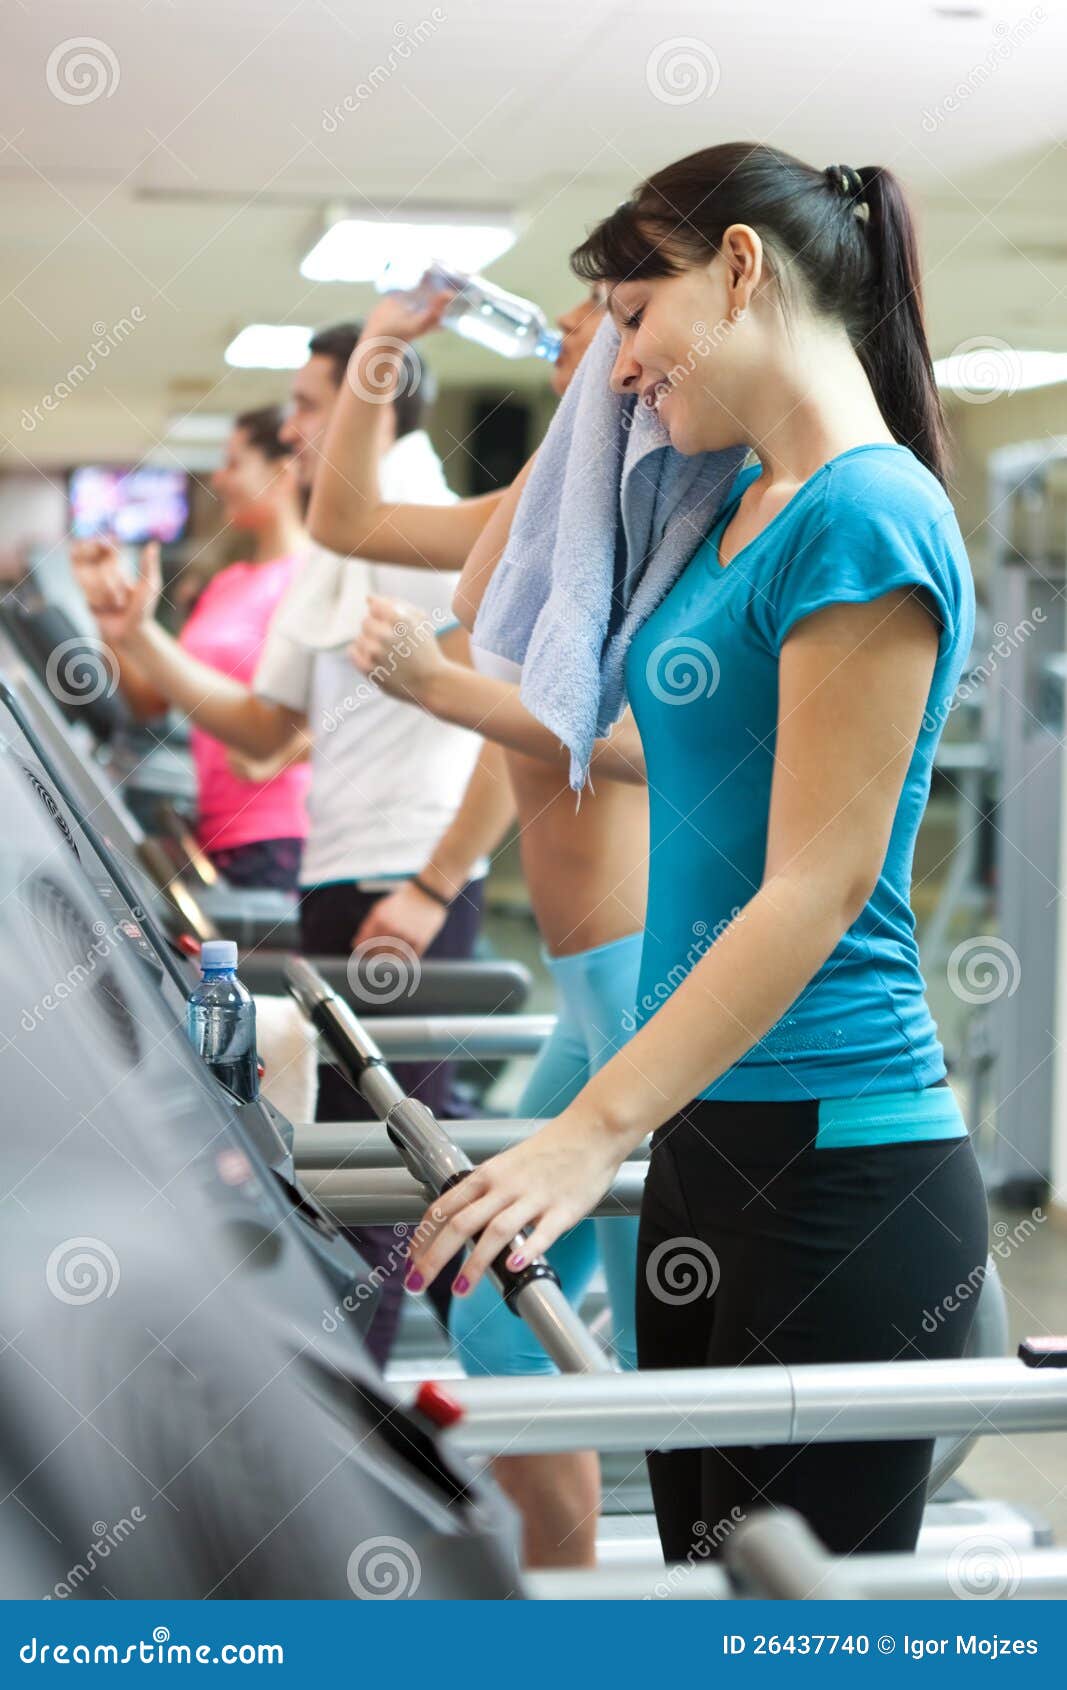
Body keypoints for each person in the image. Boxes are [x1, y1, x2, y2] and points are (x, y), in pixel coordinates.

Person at [400, 142, 990, 1561]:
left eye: (632, 314)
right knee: (703, 1597)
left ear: (738, 269)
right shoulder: (726, 503)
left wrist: (586, 1126)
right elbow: (514, 608)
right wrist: (615, 389)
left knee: (788, 1630)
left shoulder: (865, 514)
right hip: (707, 1137)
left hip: (838, 1157)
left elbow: (817, 884)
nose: (617, 367)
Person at [71, 322, 514, 1368]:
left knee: (397, 1165)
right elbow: (266, 732)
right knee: (357, 1161)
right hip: (335, 875)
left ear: (377, 404)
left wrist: (432, 885)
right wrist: (139, 639)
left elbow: (513, 729)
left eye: (312, 407)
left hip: (407, 879)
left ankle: (387, 1397)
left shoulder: (432, 537)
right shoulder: (331, 555)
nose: (295, 429)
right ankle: (375, 1385)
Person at [312, 285, 646, 1570]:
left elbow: (656, 747)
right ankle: (557, 1603)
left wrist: (441, 689)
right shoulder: (540, 505)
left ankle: (717, 1614)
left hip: (651, 980)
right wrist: (382, 351)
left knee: (669, 1344)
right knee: (497, 1309)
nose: (570, 330)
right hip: (584, 987)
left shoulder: (657, 509)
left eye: (602, 312)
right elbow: (345, 518)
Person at [78, 406, 311, 891]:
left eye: (233, 463)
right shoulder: (227, 583)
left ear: (282, 472)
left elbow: (354, 709)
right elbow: (152, 702)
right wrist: (112, 622)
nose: (218, 478)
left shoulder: (312, 577)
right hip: (214, 829)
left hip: (282, 833)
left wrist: (277, 755)